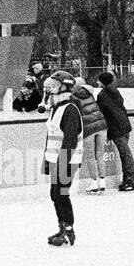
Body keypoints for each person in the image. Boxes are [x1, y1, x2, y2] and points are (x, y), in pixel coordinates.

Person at [40, 70, 83, 246]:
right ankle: (62, 227)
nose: (50, 91)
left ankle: (69, 230)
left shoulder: (70, 109)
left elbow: (70, 139)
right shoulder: (57, 108)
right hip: (56, 159)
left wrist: (63, 163)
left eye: (54, 87)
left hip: (66, 160)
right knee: (55, 194)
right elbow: (53, 136)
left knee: (61, 194)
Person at [97, 71, 134, 191]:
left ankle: (131, 178)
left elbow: (101, 111)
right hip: (124, 125)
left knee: (125, 153)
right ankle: (130, 178)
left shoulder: (102, 95)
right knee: (125, 153)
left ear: (103, 82)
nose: (97, 82)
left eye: (99, 80)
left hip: (116, 127)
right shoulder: (116, 91)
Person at [73, 75, 109, 194]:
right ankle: (102, 182)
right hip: (101, 125)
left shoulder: (74, 96)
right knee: (100, 154)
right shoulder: (90, 93)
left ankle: (94, 183)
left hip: (88, 127)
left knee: (90, 155)